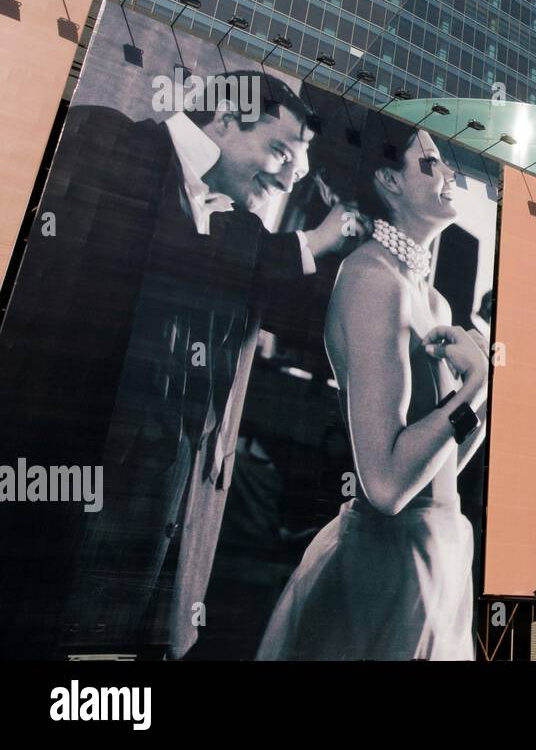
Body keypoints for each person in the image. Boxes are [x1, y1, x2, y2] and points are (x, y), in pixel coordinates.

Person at [0, 70, 354, 658]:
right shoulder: (105, 140)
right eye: (279, 151)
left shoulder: (234, 229)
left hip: (154, 563)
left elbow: (265, 287)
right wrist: (306, 243)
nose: (289, 176)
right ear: (221, 120)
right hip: (44, 539)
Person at [257, 127, 488, 660]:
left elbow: (443, 466)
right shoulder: (369, 279)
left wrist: (483, 398)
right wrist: (473, 388)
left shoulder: (436, 302)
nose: (449, 173)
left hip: (437, 560)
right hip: (386, 572)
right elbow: (385, 486)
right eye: (430, 163)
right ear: (389, 181)